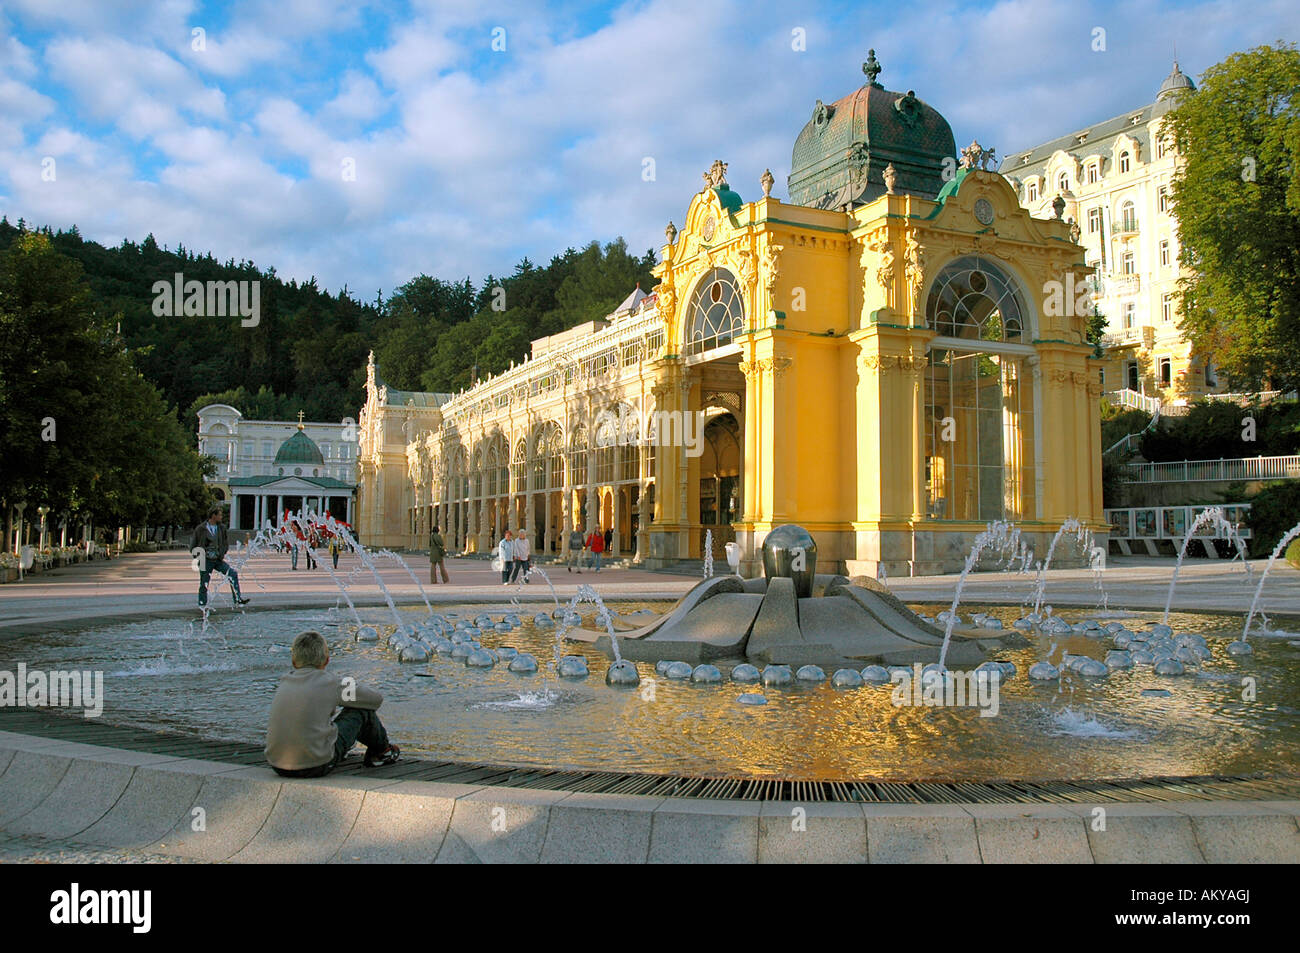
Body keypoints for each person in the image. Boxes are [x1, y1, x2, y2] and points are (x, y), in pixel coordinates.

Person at [265, 630, 399, 777]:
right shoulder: (331, 683)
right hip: (316, 765)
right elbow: (375, 700)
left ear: (294, 662)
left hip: (277, 764)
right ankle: (382, 752)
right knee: (362, 712)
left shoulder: (285, 681)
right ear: (327, 660)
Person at [190, 506, 249, 608]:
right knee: (204, 583)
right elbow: (193, 546)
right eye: (220, 515)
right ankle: (202, 604)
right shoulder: (201, 528)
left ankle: (238, 599)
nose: (221, 517)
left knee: (232, 574)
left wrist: (222, 553)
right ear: (214, 515)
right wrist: (199, 557)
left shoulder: (221, 528)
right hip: (205, 560)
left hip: (217, 559)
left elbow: (225, 543)